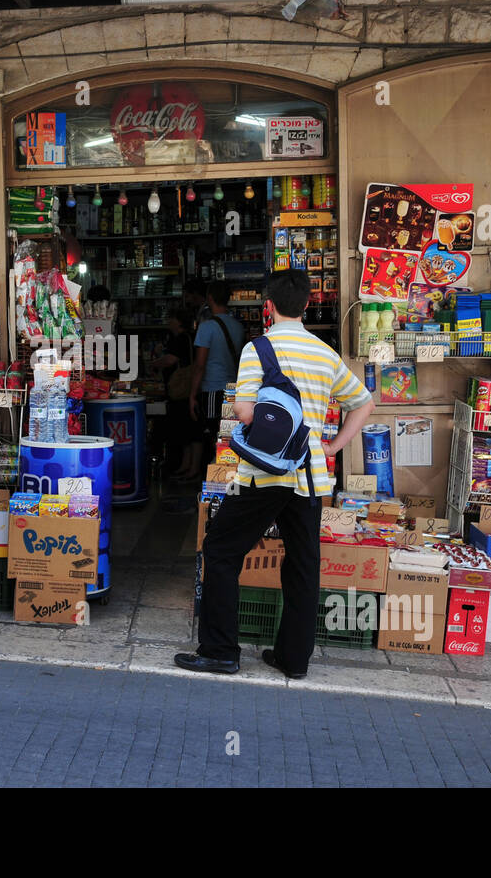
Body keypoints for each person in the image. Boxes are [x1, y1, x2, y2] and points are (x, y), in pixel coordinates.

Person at [176, 269, 376, 679]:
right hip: (310, 478)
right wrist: (333, 446)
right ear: (305, 306)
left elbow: (246, 412)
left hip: (264, 476)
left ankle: (219, 651)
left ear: (268, 307)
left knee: (220, 551)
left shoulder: (258, 350)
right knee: (303, 567)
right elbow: (363, 403)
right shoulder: (325, 352)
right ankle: (293, 659)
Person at [187, 281, 244, 469]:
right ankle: (227, 480)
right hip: (233, 390)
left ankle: (214, 480)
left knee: (213, 435)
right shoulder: (238, 326)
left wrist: (192, 395)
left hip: (213, 389)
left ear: (210, 298)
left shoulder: (206, 327)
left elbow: (200, 365)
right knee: (227, 436)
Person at [153, 308, 197, 481]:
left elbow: (171, 360)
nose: (169, 321)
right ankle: (187, 465)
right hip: (188, 389)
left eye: (171, 318)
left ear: (178, 321)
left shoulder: (179, 340)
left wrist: (154, 363)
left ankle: (188, 466)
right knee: (186, 429)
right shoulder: (190, 337)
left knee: (185, 428)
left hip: (181, 389)